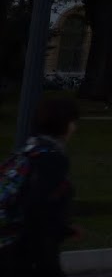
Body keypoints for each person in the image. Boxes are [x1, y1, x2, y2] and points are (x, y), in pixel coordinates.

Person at [1, 97, 81, 276]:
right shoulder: (52, 159)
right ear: (64, 124)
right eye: (73, 122)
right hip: (24, 252)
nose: (75, 128)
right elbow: (38, 207)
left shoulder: (30, 150)